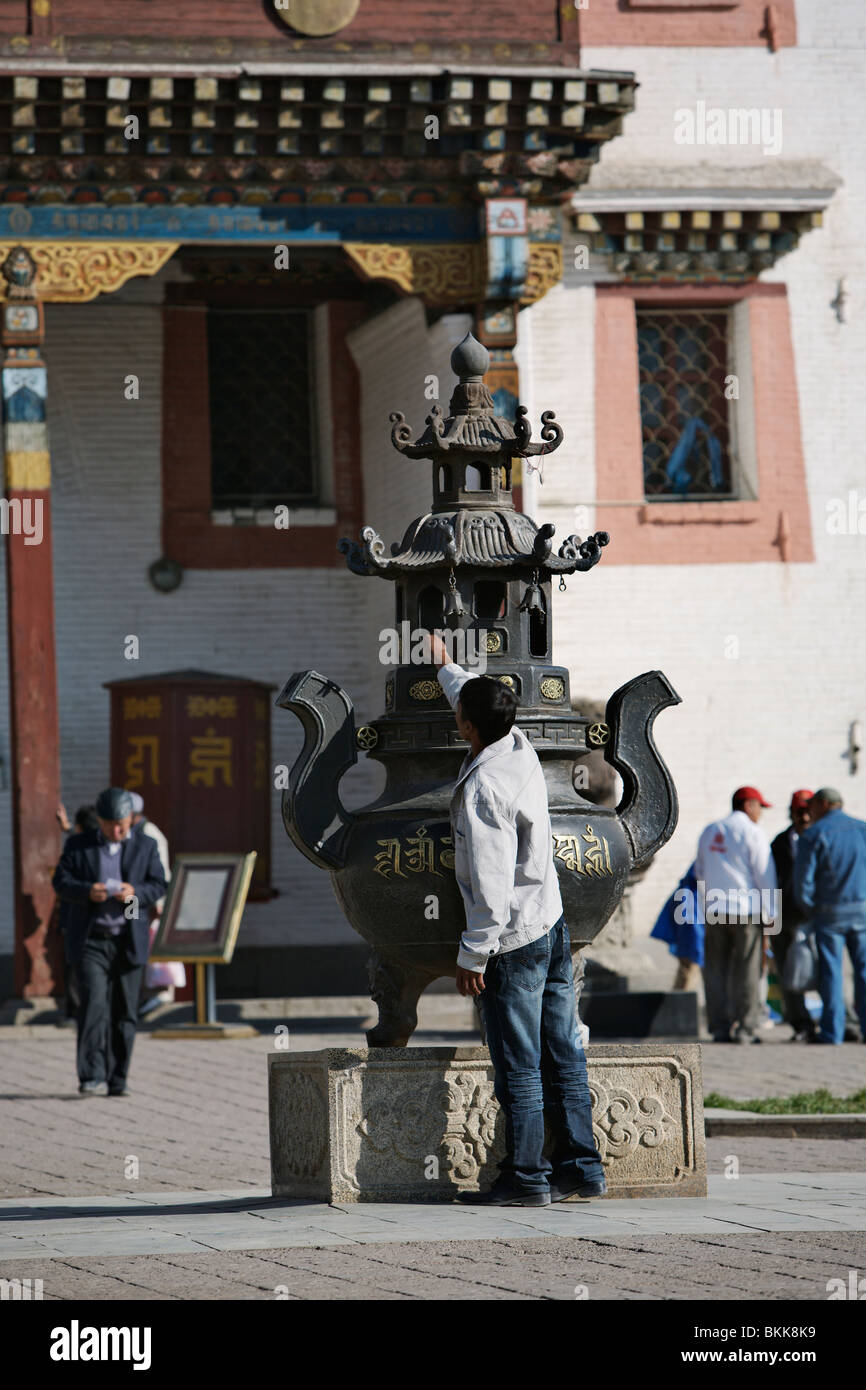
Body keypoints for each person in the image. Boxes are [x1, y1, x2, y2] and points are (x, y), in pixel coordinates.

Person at [429, 634, 605, 1207]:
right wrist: (446, 666)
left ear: (467, 727)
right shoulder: (519, 744)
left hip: (511, 941)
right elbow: (476, 698)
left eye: (460, 714)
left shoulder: (483, 787)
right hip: (551, 924)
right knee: (563, 1049)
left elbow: (490, 883)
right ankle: (582, 1167)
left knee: (519, 1064)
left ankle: (526, 1178)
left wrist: (472, 956)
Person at [52, 786, 166, 1096]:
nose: (116, 830)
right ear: (99, 821)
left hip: (128, 935)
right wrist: (87, 890)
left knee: (125, 1011)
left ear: (131, 819)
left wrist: (135, 894)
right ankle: (91, 1075)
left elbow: (158, 883)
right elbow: (60, 882)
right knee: (93, 1006)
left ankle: (118, 1079)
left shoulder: (145, 846)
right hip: (92, 939)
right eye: (109, 824)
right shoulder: (79, 845)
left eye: (122, 824)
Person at [695, 786, 777, 1044]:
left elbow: (699, 871)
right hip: (746, 911)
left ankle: (719, 1027)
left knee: (716, 971)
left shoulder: (710, 831)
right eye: (759, 808)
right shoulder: (752, 833)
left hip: (715, 910)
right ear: (749, 805)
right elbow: (765, 875)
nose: (760, 814)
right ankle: (746, 1028)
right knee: (747, 971)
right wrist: (772, 911)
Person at [793, 788, 866, 1045]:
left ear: (824, 804)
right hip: (862, 909)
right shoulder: (862, 828)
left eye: (812, 806)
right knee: (864, 970)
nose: (809, 811)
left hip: (829, 913)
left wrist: (810, 908)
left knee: (832, 972)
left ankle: (831, 1032)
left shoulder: (814, 834)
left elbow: (803, 882)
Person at [128, 791, 185, 1016]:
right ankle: (146, 995)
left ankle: (159, 994)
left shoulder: (150, 835)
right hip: (139, 901)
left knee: (155, 950)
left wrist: (159, 903)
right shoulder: (134, 832)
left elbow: (161, 874)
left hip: (152, 902)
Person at [770, 790, 819, 1042]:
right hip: (786, 916)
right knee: (788, 972)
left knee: (826, 969)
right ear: (791, 813)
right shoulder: (779, 843)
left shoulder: (821, 838)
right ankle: (800, 1023)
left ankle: (840, 1021)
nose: (804, 816)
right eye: (799, 811)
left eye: (807, 810)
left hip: (817, 917)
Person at [54, 803, 100, 1026]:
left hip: (113, 927)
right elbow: (61, 883)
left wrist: (131, 920)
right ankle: (80, 1013)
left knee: (75, 968)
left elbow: (135, 893)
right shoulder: (79, 849)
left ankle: (77, 1012)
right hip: (85, 923)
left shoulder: (135, 847)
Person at [651, 862, 704, 991]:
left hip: (692, 919)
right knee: (689, 970)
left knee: (687, 970)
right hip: (692, 921)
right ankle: (681, 1006)